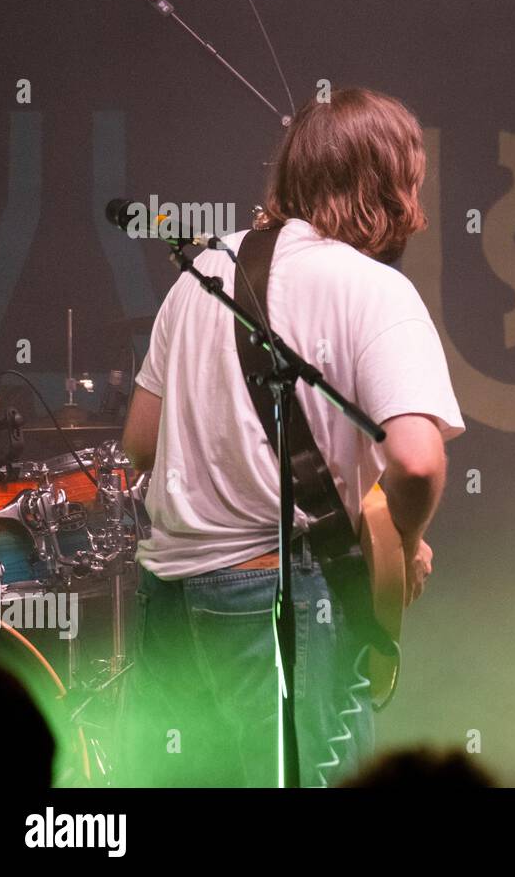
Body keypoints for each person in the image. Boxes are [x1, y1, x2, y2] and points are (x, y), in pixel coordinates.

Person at [119, 88, 464, 787]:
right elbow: (419, 462)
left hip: (168, 598)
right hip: (273, 598)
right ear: (391, 186)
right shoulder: (373, 289)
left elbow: (140, 443)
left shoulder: (201, 274)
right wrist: (402, 534)